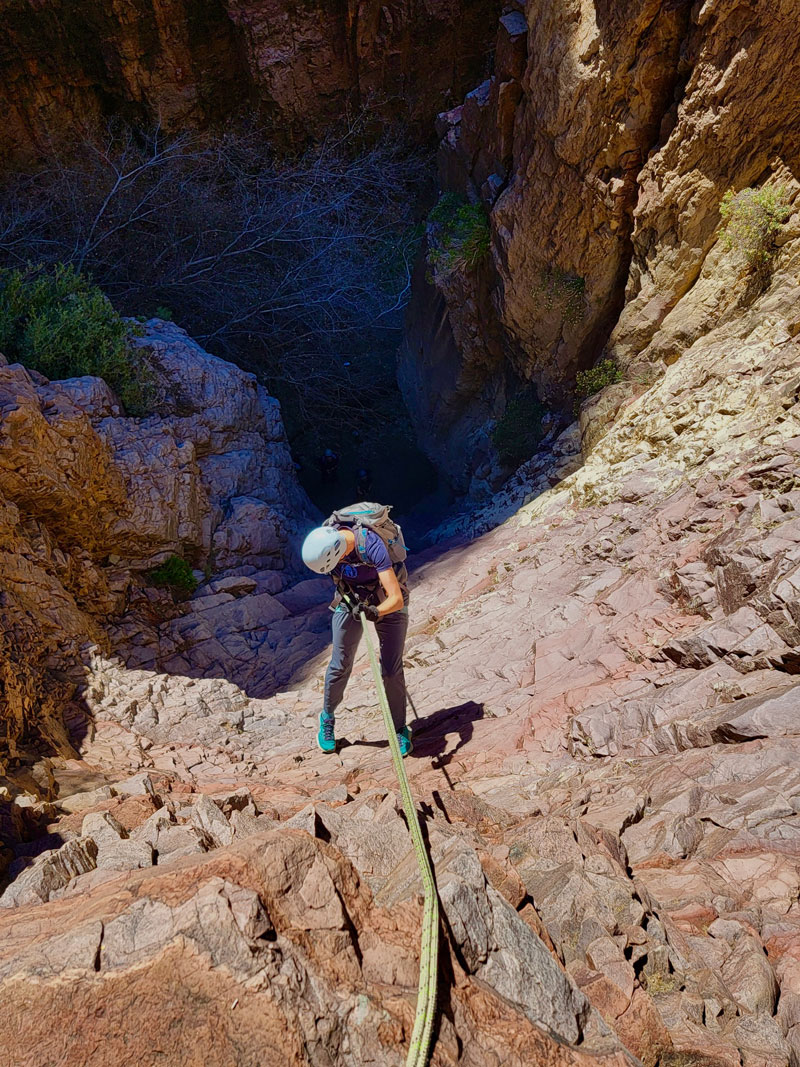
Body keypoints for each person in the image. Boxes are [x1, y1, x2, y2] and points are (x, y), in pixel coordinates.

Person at [301, 514, 411, 757]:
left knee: (391, 670)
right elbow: (339, 580)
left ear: (336, 554)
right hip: (351, 599)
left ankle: (400, 729)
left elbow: (396, 598)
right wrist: (354, 603)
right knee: (340, 664)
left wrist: (374, 611)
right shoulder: (329, 546)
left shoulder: (371, 545)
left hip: (385, 600)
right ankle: (327, 718)